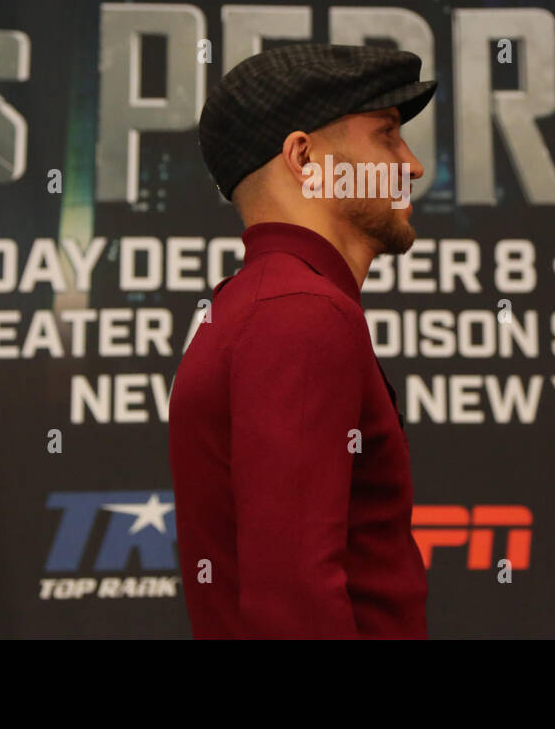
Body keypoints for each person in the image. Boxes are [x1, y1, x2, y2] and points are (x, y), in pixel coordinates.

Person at [169, 43, 435, 638]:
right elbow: (292, 599)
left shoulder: (262, 303)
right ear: (304, 156)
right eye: (386, 135)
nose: (413, 165)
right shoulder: (299, 314)